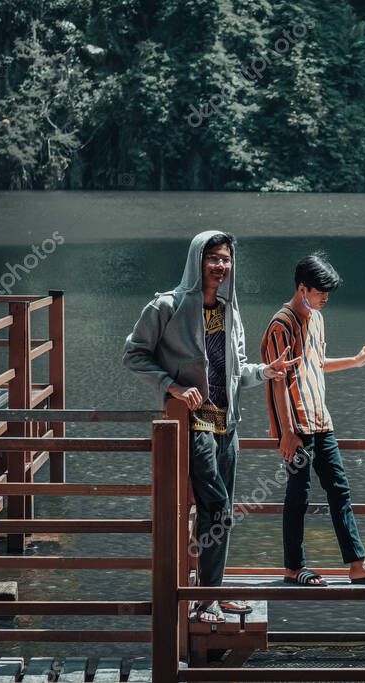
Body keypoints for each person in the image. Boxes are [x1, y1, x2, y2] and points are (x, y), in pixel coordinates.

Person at [123, 230, 298, 624]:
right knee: (215, 505)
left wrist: (266, 372)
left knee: (222, 513)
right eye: (213, 258)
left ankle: (211, 593)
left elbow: (238, 372)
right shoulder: (166, 306)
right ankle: (205, 599)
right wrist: (173, 387)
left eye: (226, 259)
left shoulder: (230, 311)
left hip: (227, 424)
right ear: (196, 260)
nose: (220, 266)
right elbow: (133, 354)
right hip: (194, 423)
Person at [261, 251, 365, 587]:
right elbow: (277, 382)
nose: (325, 298)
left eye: (327, 293)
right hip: (297, 424)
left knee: (340, 490)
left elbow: (316, 364)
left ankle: (357, 563)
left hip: (321, 419)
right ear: (302, 287)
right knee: (299, 495)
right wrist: (287, 433)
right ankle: (294, 568)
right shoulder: (281, 324)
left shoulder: (317, 317)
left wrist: (355, 360)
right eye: (320, 291)